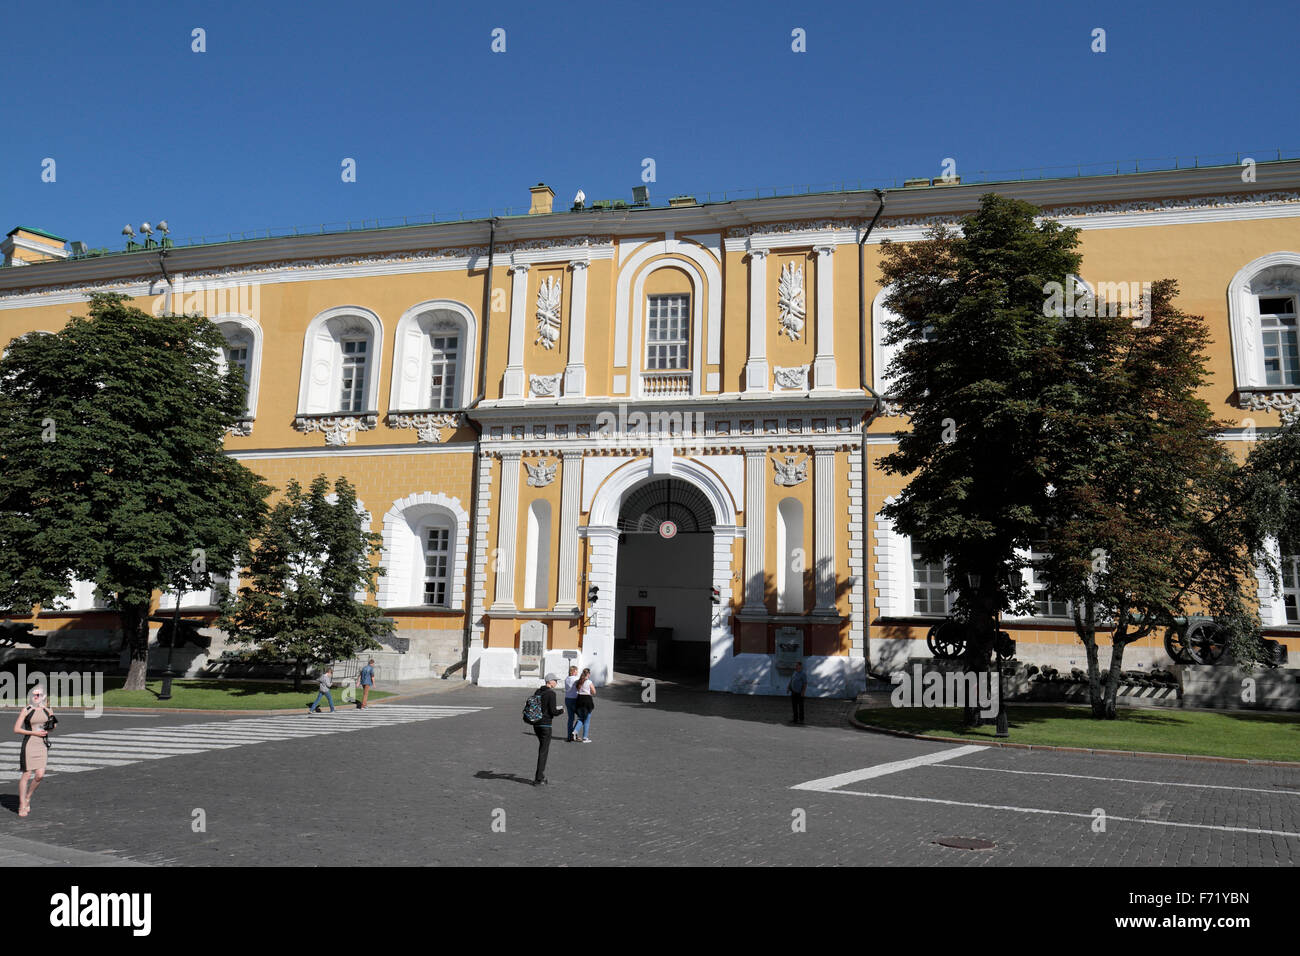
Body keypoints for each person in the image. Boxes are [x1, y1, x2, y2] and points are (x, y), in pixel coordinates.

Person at [14, 686, 55, 818]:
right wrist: (34, 732)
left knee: (40, 775)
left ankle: (28, 797)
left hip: (42, 745)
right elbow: (16, 729)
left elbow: (52, 727)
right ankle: (22, 804)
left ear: (44, 697)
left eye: (38, 695)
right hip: (29, 744)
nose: (36, 697)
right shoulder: (26, 710)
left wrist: (50, 728)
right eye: (34, 695)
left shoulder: (48, 710)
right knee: (26, 775)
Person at [531, 674, 563, 786]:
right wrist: (561, 711)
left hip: (536, 724)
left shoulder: (538, 691)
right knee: (543, 751)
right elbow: (553, 712)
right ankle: (539, 778)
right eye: (555, 680)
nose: (556, 682)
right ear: (549, 681)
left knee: (542, 749)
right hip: (546, 725)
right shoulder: (551, 693)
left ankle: (540, 776)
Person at [572, 667, 596, 743]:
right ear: (588, 674)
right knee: (587, 719)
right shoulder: (589, 682)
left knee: (581, 717)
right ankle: (585, 738)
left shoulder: (579, 681)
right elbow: (594, 692)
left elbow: (577, 689)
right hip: (587, 700)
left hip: (579, 699)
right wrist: (591, 692)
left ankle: (575, 731)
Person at [563, 665, 580, 740]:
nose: (577, 672)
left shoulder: (566, 678)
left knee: (570, 718)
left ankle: (569, 736)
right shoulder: (576, 679)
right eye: (576, 671)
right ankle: (574, 732)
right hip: (575, 699)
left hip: (567, 699)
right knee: (581, 717)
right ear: (573, 671)